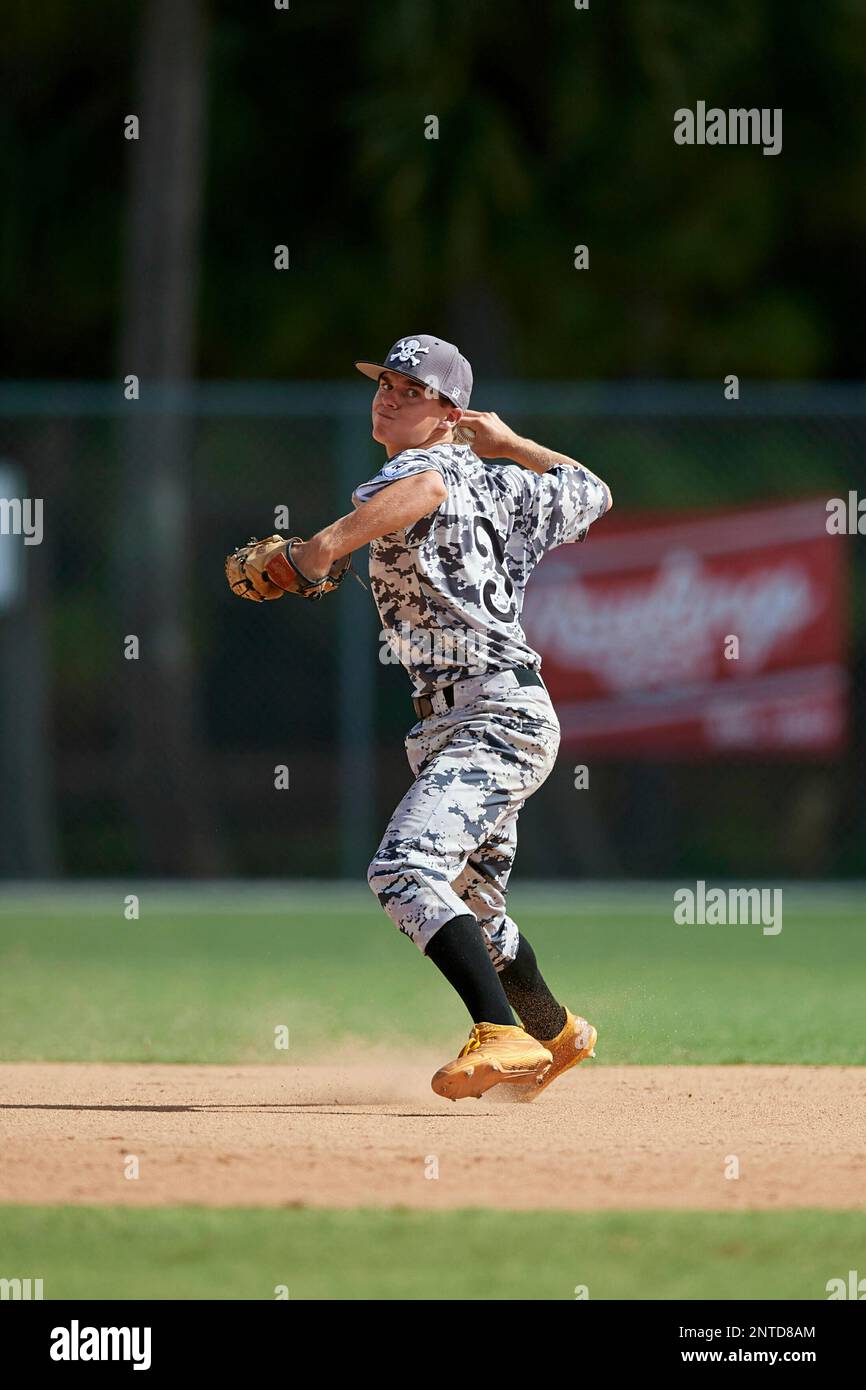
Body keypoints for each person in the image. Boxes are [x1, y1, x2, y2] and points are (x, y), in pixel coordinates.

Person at [290, 335, 612, 1101]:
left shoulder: (416, 471)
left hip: (490, 714)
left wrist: (326, 546)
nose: (390, 395)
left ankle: (497, 1032)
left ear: (448, 412)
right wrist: (512, 445)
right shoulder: (506, 485)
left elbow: (428, 488)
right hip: (481, 717)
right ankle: (555, 1033)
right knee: (477, 912)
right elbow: (592, 491)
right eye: (386, 382)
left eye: (412, 388)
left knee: (403, 869)